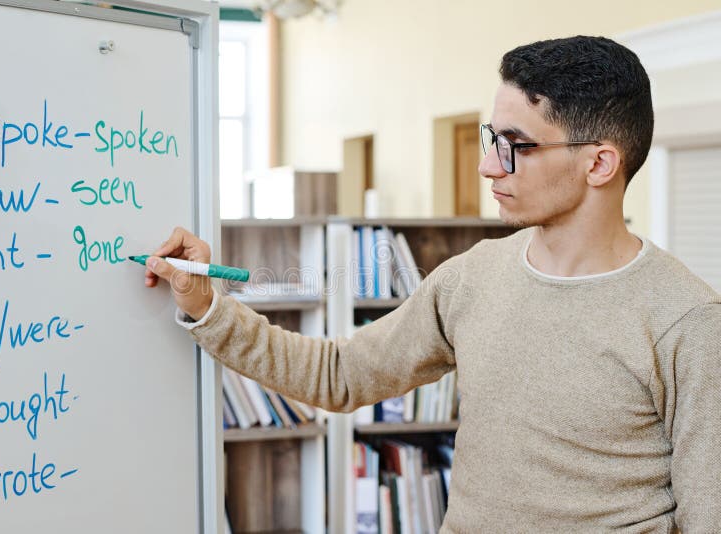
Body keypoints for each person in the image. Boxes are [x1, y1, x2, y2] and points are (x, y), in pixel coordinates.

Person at [144, 36, 720, 532]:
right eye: (491, 138)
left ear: (599, 164)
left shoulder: (688, 321)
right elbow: (338, 376)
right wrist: (205, 305)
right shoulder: (471, 278)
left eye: (516, 146)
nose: (488, 165)